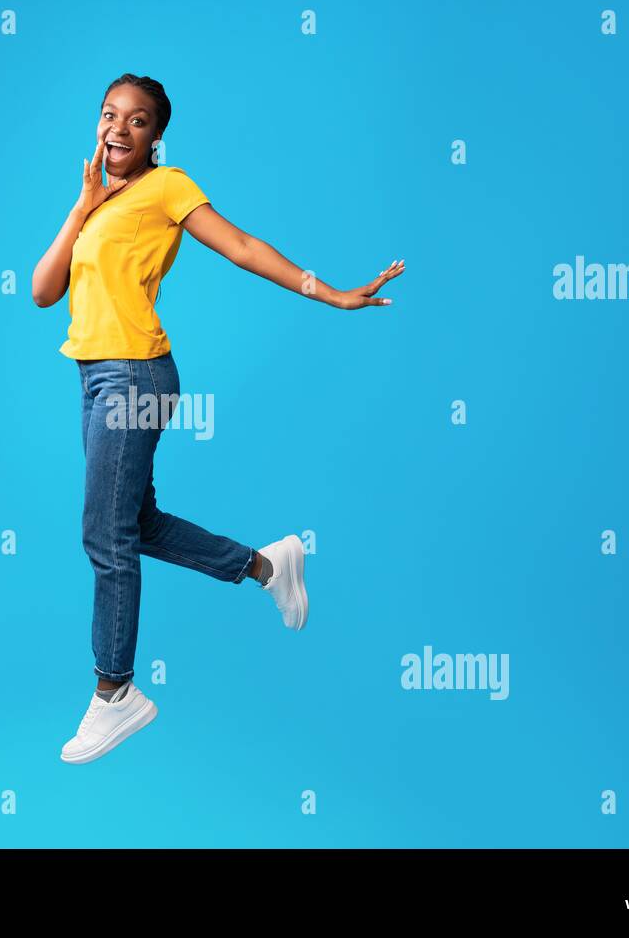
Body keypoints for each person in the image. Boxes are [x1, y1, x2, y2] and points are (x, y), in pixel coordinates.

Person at [32, 73, 404, 764]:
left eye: (137, 120)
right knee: (133, 525)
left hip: (134, 374)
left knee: (103, 534)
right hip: (93, 377)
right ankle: (269, 565)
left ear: (156, 136)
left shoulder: (168, 187)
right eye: (109, 115)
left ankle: (115, 693)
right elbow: (42, 291)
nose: (119, 128)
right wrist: (81, 207)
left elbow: (241, 246)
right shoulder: (96, 201)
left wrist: (334, 296)